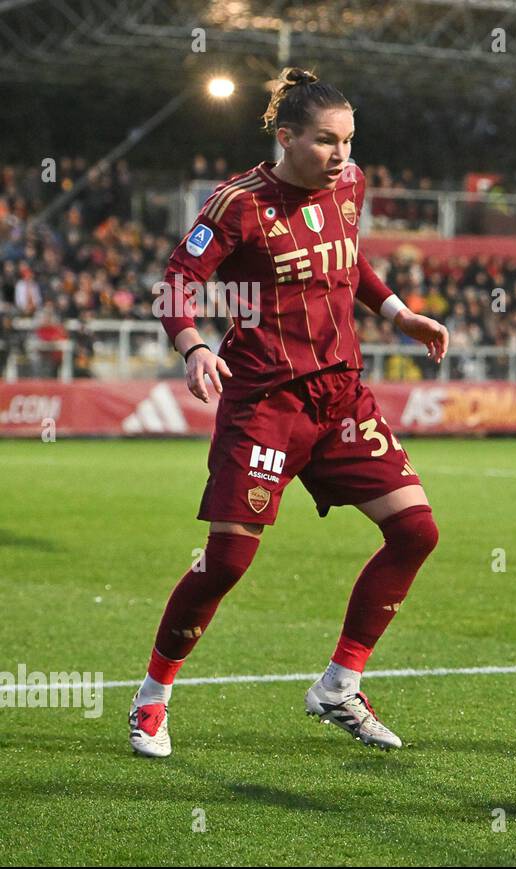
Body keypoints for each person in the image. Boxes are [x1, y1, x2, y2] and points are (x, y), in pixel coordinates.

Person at [128, 68, 449, 758]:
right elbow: (175, 283)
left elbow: (349, 262)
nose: (342, 156)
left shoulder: (350, 186)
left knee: (416, 531)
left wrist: (398, 314)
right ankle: (152, 698)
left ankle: (340, 685)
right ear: (286, 138)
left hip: (340, 396)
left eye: (349, 141)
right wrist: (191, 347)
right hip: (266, 402)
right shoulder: (238, 204)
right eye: (327, 142)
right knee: (228, 562)